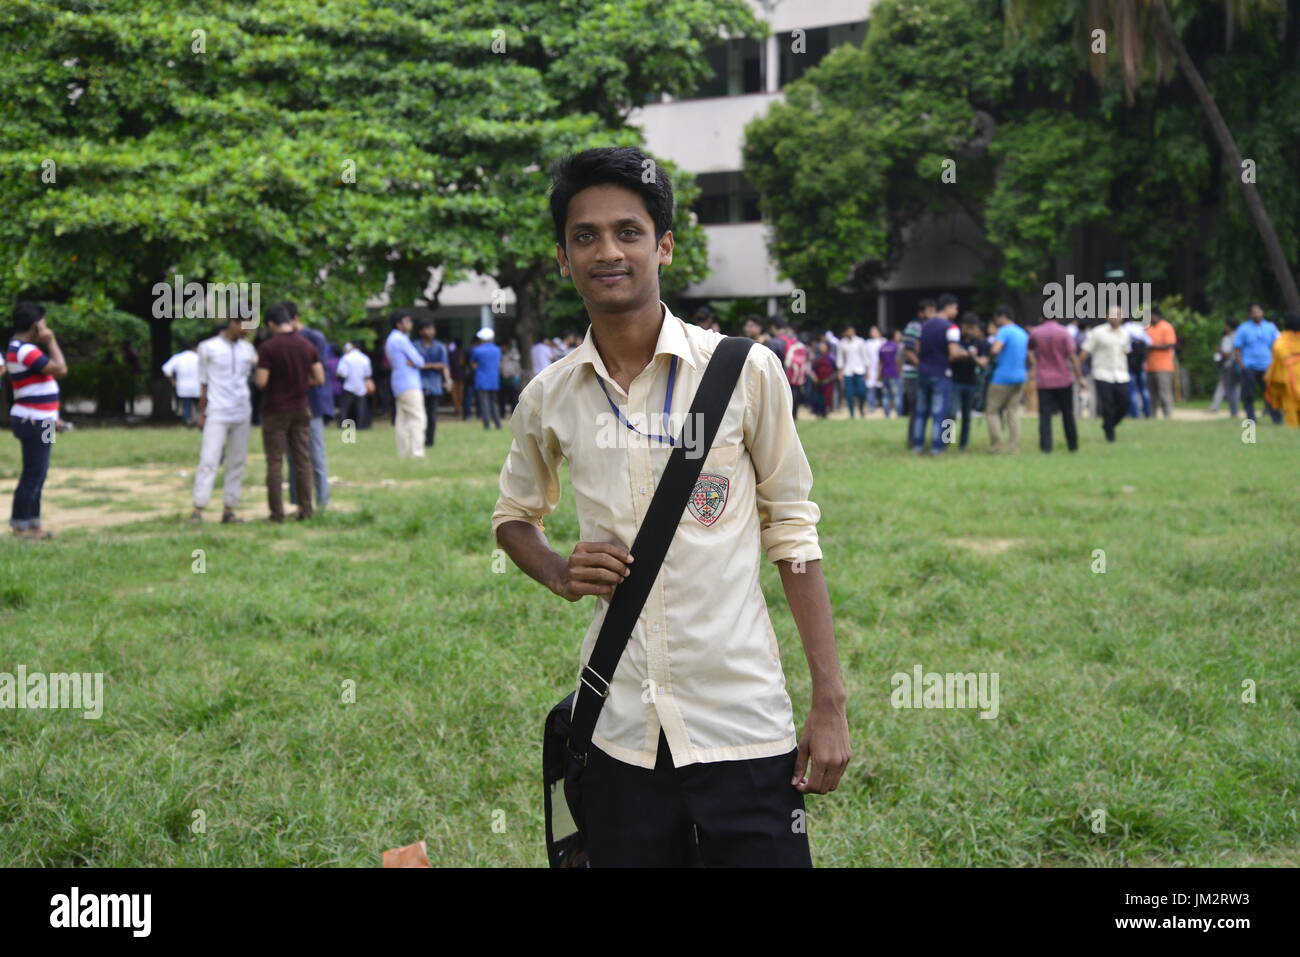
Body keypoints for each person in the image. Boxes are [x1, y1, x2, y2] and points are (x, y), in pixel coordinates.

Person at [492, 146, 848, 868]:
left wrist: (829, 701)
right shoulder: (549, 396)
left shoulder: (744, 371)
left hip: (742, 723)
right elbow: (511, 516)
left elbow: (793, 532)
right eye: (585, 236)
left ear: (664, 246)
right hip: (618, 727)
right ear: (562, 258)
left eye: (628, 231)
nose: (607, 251)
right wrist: (558, 571)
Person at [255, 304, 323, 521]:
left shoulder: (268, 348)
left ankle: (277, 513)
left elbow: (261, 381)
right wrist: (301, 383)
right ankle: (306, 509)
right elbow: (320, 378)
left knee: (275, 462)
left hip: (275, 409)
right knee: (303, 461)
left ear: (271, 324)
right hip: (301, 408)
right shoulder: (307, 345)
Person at [6, 302, 67, 540]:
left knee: (40, 472)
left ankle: (33, 525)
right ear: (35, 326)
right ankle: (21, 526)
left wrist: (54, 417)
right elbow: (61, 369)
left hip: (44, 420)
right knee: (34, 473)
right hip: (35, 421)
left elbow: (40, 385)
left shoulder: (19, 348)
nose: (47, 327)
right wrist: (51, 342)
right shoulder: (25, 350)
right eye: (44, 323)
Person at [189, 315, 257, 523]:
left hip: (242, 410)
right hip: (217, 411)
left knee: (237, 461)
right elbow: (203, 383)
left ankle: (229, 509)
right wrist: (202, 413)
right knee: (209, 460)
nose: (247, 331)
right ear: (232, 323)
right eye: (244, 325)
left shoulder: (248, 349)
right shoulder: (208, 347)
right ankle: (198, 508)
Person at [283, 301, 333, 511]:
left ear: (295, 319)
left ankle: (322, 501)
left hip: (312, 403)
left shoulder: (314, 338)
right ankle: (297, 503)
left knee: (315, 454)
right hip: (288, 404)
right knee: (292, 456)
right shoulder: (280, 340)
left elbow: (319, 374)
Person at [910, 294, 962, 455]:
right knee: (941, 412)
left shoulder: (924, 326)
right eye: (955, 308)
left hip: (923, 372)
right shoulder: (951, 327)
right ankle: (937, 447)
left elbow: (917, 348)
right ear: (948, 307)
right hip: (942, 373)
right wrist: (966, 354)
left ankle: (917, 446)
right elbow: (954, 353)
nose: (956, 311)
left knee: (921, 412)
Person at [1028, 313, 1083, 453]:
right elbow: (1073, 357)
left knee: (1045, 415)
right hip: (1063, 379)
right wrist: (1080, 378)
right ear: (1057, 318)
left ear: (1041, 319)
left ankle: (1046, 447)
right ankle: (1072, 445)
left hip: (1044, 380)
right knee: (1067, 414)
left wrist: (1034, 363)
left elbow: (1029, 349)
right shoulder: (1064, 332)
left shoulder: (1036, 332)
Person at [1078, 306, 1132, 442]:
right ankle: (1110, 436)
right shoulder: (1097, 332)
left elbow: (1125, 352)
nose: (1117, 318)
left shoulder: (1125, 333)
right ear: (1107, 316)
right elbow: (1084, 352)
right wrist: (1079, 373)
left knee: (1125, 403)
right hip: (1102, 373)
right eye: (1114, 315)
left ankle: (1109, 424)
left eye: (1119, 315)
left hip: (1121, 374)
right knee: (1107, 405)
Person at [385, 310, 430, 458]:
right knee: (417, 418)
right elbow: (419, 361)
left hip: (398, 383)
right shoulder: (401, 339)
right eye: (407, 321)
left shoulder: (391, 339)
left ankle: (403, 452)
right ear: (399, 324)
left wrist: (413, 362)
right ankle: (417, 452)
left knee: (402, 420)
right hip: (409, 383)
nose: (410, 324)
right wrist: (414, 362)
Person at [985, 305, 1028, 454]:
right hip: (1020, 376)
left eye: (997, 318)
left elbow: (995, 349)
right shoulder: (1022, 332)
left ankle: (996, 446)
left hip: (1003, 377)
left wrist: (989, 358)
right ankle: (1014, 447)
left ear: (1002, 316)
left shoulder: (1004, 331)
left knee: (992, 411)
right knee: (1013, 412)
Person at [1234, 302, 1282, 424]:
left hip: (1267, 366)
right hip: (1249, 366)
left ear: (1262, 312)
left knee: (1271, 393)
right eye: (1253, 312)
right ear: (1250, 314)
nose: (1256, 314)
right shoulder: (1243, 328)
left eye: (1258, 311)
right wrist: (1242, 365)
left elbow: (1277, 347)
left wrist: (1275, 364)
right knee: (1248, 394)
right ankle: (1251, 418)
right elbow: (1237, 348)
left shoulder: (1270, 327)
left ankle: (1277, 419)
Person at [950, 312, 989, 450]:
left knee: (967, 416)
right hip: (954, 382)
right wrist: (961, 355)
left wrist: (973, 357)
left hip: (971, 383)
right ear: (963, 326)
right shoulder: (955, 341)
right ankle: (946, 441)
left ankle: (963, 445)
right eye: (968, 327)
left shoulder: (980, 343)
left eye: (973, 328)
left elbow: (984, 363)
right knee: (951, 413)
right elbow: (951, 357)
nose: (971, 331)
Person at [901, 299, 932, 446]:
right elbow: (908, 351)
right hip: (915, 375)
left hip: (935, 375)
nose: (932, 314)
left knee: (943, 412)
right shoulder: (914, 326)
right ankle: (915, 442)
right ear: (921, 313)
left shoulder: (940, 326)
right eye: (929, 311)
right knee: (917, 409)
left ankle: (943, 442)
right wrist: (923, 367)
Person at [414, 320, 449, 448]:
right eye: (427, 329)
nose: (430, 332)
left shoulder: (439, 346)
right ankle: (419, 439)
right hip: (418, 385)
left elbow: (444, 365)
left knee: (432, 415)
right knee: (419, 414)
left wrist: (448, 381)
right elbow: (413, 364)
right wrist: (434, 365)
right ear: (421, 331)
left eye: (432, 329)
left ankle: (430, 441)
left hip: (435, 385)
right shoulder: (415, 346)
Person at [1264, 312, 1300, 428]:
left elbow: (1280, 357)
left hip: (1287, 380)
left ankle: (1293, 428)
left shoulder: (1281, 341)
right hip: (1292, 379)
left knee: (1291, 408)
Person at [1145, 306, 1177, 418]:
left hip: (1163, 367)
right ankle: (1152, 415)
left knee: (1164, 393)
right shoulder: (1148, 328)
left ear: (1156, 316)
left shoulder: (1166, 327)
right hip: (1150, 366)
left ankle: (1167, 415)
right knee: (1152, 394)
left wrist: (1153, 347)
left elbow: (1170, 344)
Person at [468, 328, 502, 430]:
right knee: (494, 402)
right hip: (494, 379)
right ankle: (498, 424)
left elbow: (473, 364)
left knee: (484, 403)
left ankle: (486, 425)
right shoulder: (497, 350)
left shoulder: (477, 350)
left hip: (481, 379)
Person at [335, 341, 374, 429]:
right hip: (361, 387)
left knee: (345, 408)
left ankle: (343, 424)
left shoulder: (346, 358)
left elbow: (342, 373)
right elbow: (368, 374)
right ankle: (361, 425)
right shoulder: (365, 358)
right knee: (361, 408)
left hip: (349, 386)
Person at [1209, 318, 1242, 417]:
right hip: (1239, 365)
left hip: (1228, 365)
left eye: (1226, 325)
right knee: (1237, 387)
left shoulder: (1228, 337)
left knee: (1223, 386)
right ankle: (1235, 408)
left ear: (1229, 326)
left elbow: (1227, 353)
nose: (1225, 327)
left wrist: (1219, 350)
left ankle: (1215, 407)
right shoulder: (1241, 335)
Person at [835, 325, 869, 418]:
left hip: (859, 370)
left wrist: (867, 370)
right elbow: (840, 359)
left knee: (862, 392)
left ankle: (861, 408)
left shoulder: (860, 341)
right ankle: (851, 413)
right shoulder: (842, 343)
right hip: (848, 371)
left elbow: (865, 356)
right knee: (849, 394)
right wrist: (840, 371)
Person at [162, 343, 201, 425]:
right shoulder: (198, 357)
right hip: (197, 386)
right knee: (199, 406)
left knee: (186, 406)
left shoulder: (177, 357)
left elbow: (166, 369)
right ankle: (199, 420)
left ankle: (187, 422)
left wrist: (173, 381)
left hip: (183, 386)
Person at [1124, 316, 1152, 418]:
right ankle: (1147, 412)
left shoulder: (1125, 328)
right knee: (1144, 390)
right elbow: (1149, 342)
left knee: (1132, 390)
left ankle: (1134, 414)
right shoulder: (1140, 329)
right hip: (1140, 364)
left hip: (1130, 364)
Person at [810, 339, 835, 418]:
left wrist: (829, 379)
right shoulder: (817, 358)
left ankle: (826, 412)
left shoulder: (831, 358)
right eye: (821, 346)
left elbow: (835, 370)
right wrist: (814, 377)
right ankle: (818, 412)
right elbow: (812, 369)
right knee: (818, 397)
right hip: (818, 381)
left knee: (827, 397)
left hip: (828, 381)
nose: (821, 348)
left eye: (823, 346)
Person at [879, 330, 901, 418]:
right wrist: (899, 372)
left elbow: (880, 363)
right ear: (893, 336)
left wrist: (879, 375)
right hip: (894, 373)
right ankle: (898, 414)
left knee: (885, 395)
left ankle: (886, 414)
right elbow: (897, 360)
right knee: (897, 395)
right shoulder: (895, 346)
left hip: (885, 373)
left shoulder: (882, 347)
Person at [863, 326, 885, 413]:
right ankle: (871, 407)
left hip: (882, 368)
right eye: (871, 331)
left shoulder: (883, 342)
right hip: (871, 369)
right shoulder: (868, 343)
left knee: (883, 388)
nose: (872, 333)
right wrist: (866, 370)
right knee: (870, 389)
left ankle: (884, 407)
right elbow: (866, 357)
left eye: (874, 331)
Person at [500, 338, 522, 417]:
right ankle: (502, 414)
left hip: (512, 379)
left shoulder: (513, 354)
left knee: (513, 398)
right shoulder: (502, 356)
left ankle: (514, 414)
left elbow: (516, 358)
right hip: (504, 379)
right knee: (503, 398)